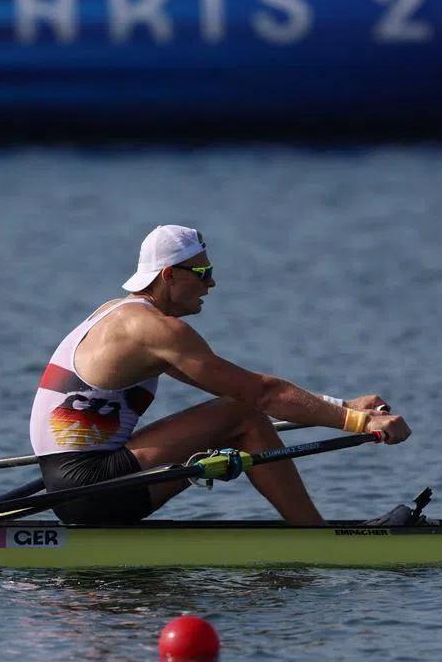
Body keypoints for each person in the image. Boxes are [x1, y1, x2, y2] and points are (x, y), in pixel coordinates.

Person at [29, 224, 411, 526]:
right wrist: (359, 422)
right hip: (90, 489)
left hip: (71, 486)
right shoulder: (154, 330)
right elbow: (260, 395)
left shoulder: (118, 313)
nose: (211, 283)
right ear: (168, 276)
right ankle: (317, 540)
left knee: (239, 415)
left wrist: (340, 405)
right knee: (242, 416)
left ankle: (310, 532)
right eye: (202, 272)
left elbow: (245, 390)